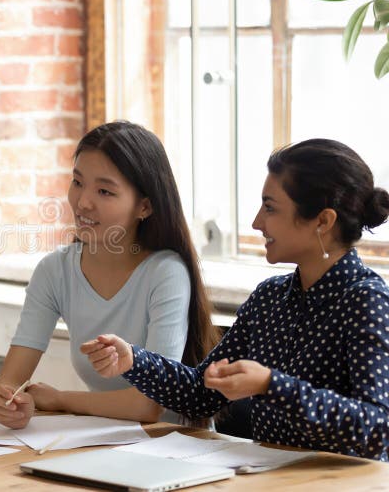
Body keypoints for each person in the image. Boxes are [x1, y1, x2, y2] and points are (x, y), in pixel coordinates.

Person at [83, 138, 389, 460]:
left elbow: (379, 428)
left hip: (342, 481)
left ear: (323, 222)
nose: (257, 222)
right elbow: (200, 395)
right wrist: (133, 360)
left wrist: (271, 385)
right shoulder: (269, 298)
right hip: (269, 476)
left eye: (270, 208)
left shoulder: (367, 301)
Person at [0, 121, 218, 429]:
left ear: (144, 207)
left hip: (174, 442)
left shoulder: (166, 273)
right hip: (105, 439)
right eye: (77, 182)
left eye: (104, 191)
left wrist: (60, 399)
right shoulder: (54, 271)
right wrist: (10, 402)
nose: (83, 202)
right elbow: (10, 381)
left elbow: (149, 405)